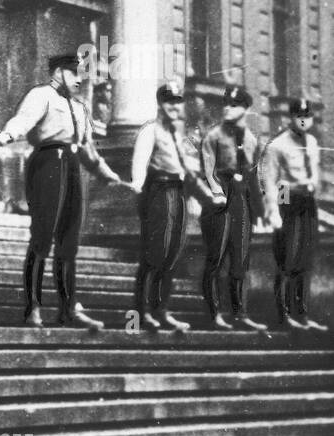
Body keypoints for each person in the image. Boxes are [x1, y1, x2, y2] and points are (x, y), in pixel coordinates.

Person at [0, 53, 127, 329]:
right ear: (57, 72)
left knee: (69, 241)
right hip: (48, 163)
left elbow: (88, 149)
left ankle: (68, 309)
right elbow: (23, 120)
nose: (79, 79)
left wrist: (109, 176)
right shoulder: (40, 95)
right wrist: (6, 136)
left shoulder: (79, 107)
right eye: (73, 73)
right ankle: (33, 307)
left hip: (73, 168)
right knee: (43, 235)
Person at [199, 85, 267, 331]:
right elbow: (207, 171)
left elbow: (255, 176)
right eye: (226, 104)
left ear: (246, 109)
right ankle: (214, 313)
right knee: (216, 257)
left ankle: (240, 313)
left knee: (240, 258)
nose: (228, 108)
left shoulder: (251, 139)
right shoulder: (213, 136)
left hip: (242, 200)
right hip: (220, 196)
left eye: (235, 105)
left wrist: (261, 211)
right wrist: (216, 195)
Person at [130, 81, 196, 332]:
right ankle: (141, 312)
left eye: (178, 102)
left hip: (178, 192)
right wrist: (138, 187)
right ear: (160, 103)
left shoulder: (176, 134)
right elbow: (140, 163)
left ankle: (161, 309)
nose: (174, 106)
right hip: (158, 192)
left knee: (172, 253)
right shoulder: (150, 130)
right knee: (155, 252)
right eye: (169, 101)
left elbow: (186, 167)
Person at [261, 97, 327, 331]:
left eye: (307, 116)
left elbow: (316, 173)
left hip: (308, 202)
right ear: (290, 117)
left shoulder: (312, 142)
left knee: (306, 261)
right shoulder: (278, 145)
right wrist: (275, 212)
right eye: (298, 116)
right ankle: (285, 315)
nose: (303, 120)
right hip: (288, 199)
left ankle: (303, 315)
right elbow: (271, 182)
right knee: (288, 258)